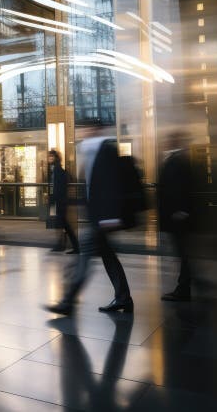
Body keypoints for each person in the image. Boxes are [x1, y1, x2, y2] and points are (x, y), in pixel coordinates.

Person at [47, 129, 133, 316]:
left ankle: (68, 301)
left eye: (86, 131)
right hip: (100, 218)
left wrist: (110, 217)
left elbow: (112, 185)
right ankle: (124, 298)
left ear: (95, 131)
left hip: (103, 220)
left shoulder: (106, 150)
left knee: (84, 258)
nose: (83, 135)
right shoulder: (95, 152)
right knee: (109, 258)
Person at [158, 132, 194, 302]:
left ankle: (184, 288)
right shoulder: (178, 159)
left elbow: (180, 188)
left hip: (177, 216)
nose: (165, 142)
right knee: (183, 253)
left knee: (183, 253)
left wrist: (181, 210)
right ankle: (187, 285)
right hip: (176, 215)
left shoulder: (178, 160)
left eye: (168, 139)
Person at [48, 149, 79, 254]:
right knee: (62, 224)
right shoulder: (55, 169)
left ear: (56, 158)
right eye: (49, 157)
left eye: (51, 157)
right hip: (60, 201)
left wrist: (54, 200)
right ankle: (64, 245)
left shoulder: (57, 170)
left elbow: (58, 187)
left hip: (60, 201)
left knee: (63, 224)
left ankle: (65, 245)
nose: (49, 159)